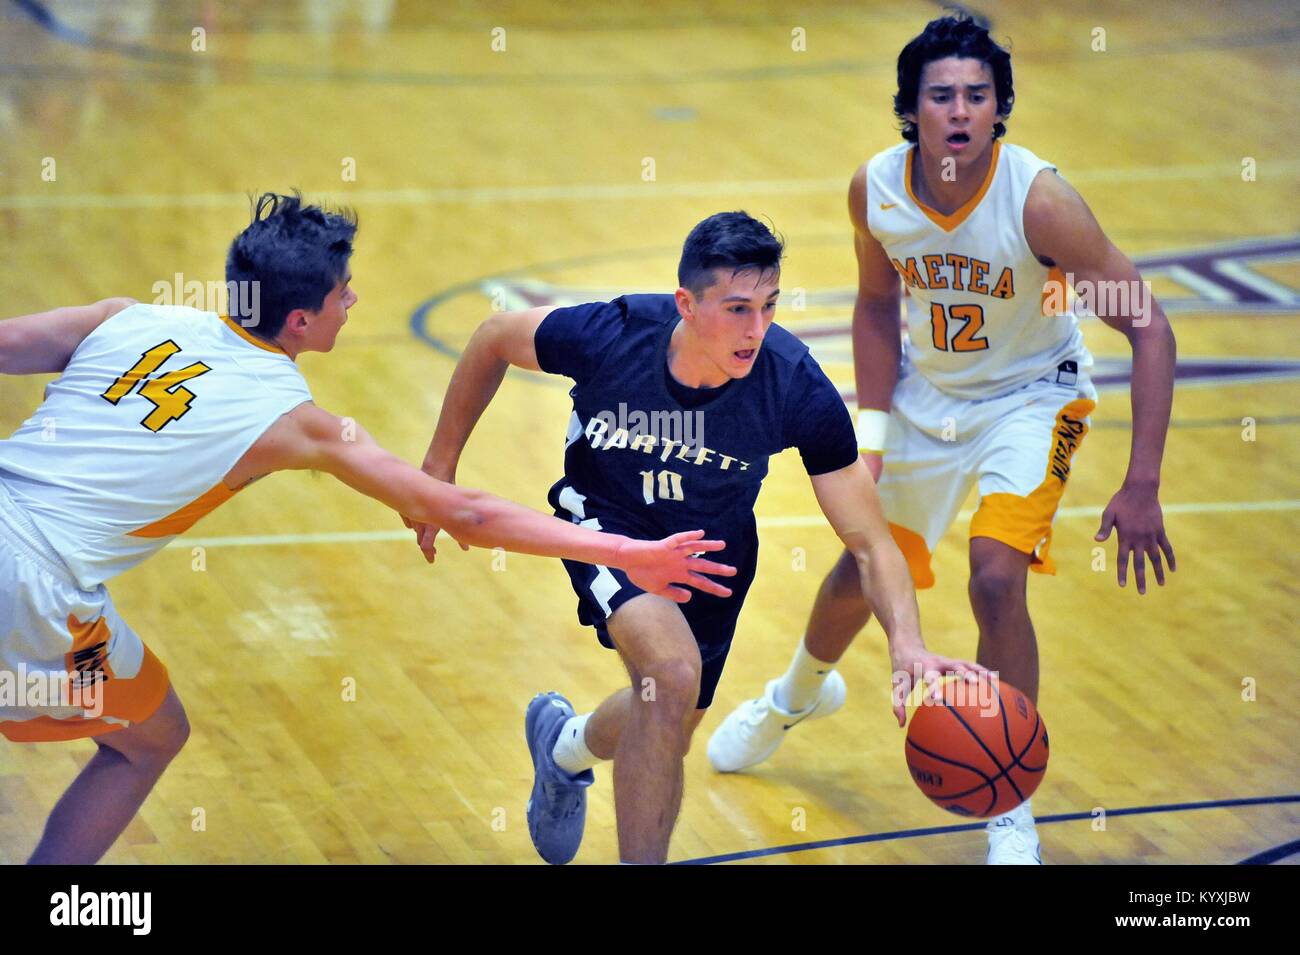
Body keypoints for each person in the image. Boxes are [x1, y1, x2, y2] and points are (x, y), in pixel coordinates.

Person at [0, 192, 737, 865]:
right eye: (340, 292)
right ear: (300, 321)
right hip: (38, 591)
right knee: (146, 741)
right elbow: (469, 515)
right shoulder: (294, 421)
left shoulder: (126, 316)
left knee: (131, 722)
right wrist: (622, 549)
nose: (351, 299)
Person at [708, 15, 1178, 864]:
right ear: (910, 109)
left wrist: (1142, 481)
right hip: (929, 398)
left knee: (996, 578)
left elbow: (1151, 329)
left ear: (999, 109)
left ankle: (1011, 799)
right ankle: (793, 697)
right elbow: (877, 304)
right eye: (942, 95)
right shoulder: (877, 189)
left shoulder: (1041, 201)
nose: (960, 110)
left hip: (1033, 397)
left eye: (977, 95)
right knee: (864, 567)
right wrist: (876, 431)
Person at [413, 211, 984, 864]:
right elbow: (492, 338)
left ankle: (564, 748)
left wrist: (908, 643)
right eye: (737, 308)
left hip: (710, 557)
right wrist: (438, 469)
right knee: (672, 672)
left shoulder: (794, 386)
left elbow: (872, 543)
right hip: (605, 519)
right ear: (686, 303)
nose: (757, 328)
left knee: (669, 721)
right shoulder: (612, 335)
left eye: (768, 306)